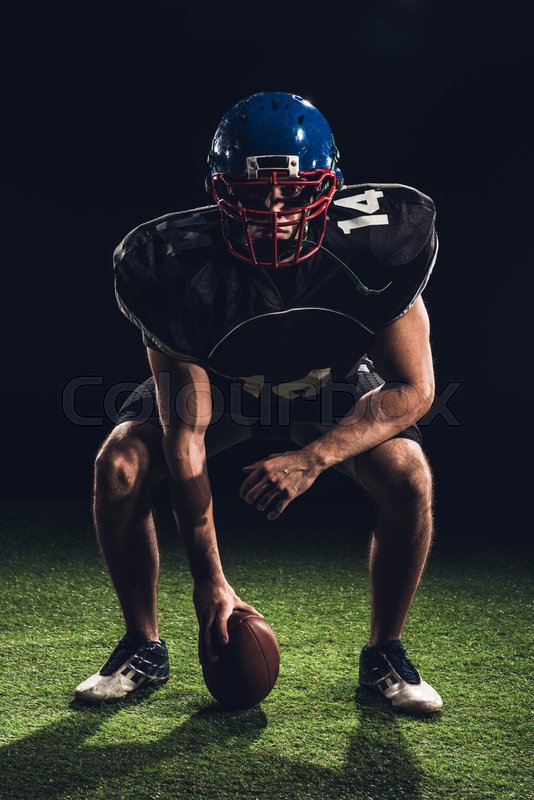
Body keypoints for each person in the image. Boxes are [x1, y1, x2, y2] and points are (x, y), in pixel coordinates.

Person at [74, 91, 442, 713]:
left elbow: (414, 389)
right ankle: (143, 644)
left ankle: (386, 653)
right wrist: (209, 581)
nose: (273, 211)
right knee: (119, 467)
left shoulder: (376, 248)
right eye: (251, 193)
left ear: (328, 188)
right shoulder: (171, 265)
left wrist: (314, 457)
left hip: (325, 382)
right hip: (224, 387)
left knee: (408, 476)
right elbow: (186, 436)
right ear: (221, 191)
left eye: (293, 192)